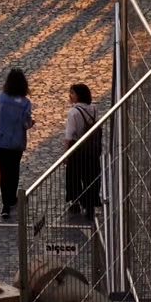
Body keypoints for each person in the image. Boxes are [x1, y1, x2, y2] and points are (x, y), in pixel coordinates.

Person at [0, 68, 35, 220]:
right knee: (13, 171)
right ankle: (12, 199)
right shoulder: (25, 103)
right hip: (16, 143)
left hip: (0, 142)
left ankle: (5, 204)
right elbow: (26, 124)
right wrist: (31, 123)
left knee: (4, 172)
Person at [61, 83, 101, 216]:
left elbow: (69, 135)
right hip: (91, 149)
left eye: (72, 93)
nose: (70, 96)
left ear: (78, 96)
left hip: (77, 149)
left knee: (74, 176)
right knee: (90, 176)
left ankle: (75, 201)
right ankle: (90, 202)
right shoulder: (94, 109)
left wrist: (66, 154)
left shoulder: (73, 112)